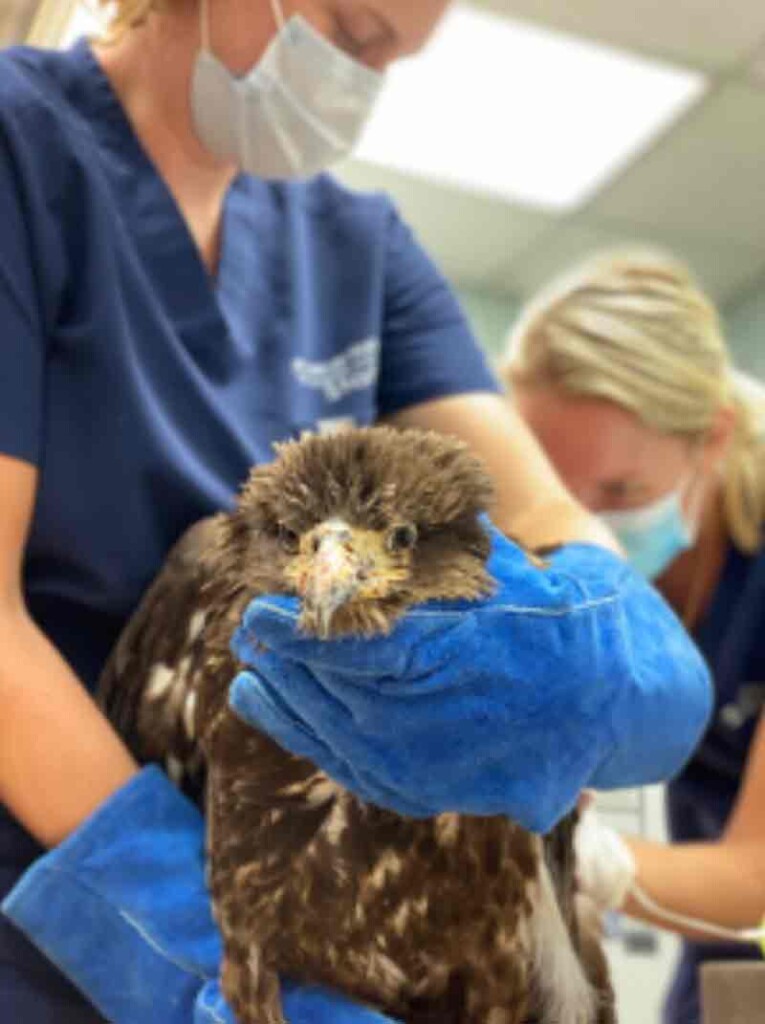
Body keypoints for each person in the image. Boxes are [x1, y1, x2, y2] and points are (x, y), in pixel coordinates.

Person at [0, 1, 711, 1021]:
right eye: (349, 26)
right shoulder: (20, 151)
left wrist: (603, 660)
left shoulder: (358, 247)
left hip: (337, 911)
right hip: (55, 918)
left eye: (396, 53)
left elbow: (544, 512)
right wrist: (206, 957)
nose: (365, 75)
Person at [503, 250, 765, 1024]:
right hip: (721, 952)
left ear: (710, 439)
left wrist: (568, 854)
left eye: (619, 492)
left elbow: (756, 874)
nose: (587, 533)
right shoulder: (571, 584)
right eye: (555, 493)